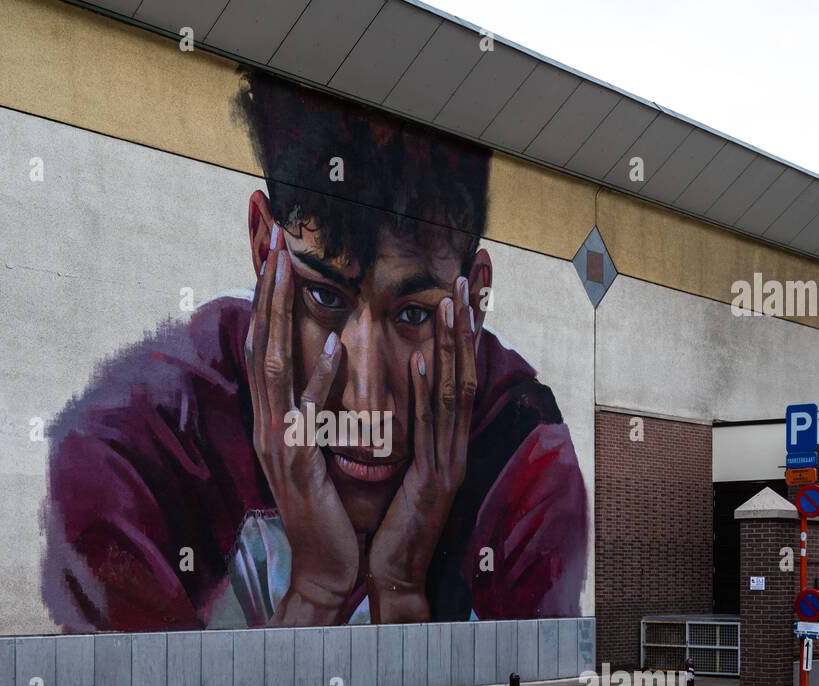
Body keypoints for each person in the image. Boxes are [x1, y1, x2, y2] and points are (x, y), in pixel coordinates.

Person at [41, 71, 587, 632]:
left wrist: (399, 587)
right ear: (263, 248)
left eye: (415, 314)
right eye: (323, 296)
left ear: (474, 300)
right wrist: (318, 590)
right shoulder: (132, 448)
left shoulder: (524, 453)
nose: (366, 397)